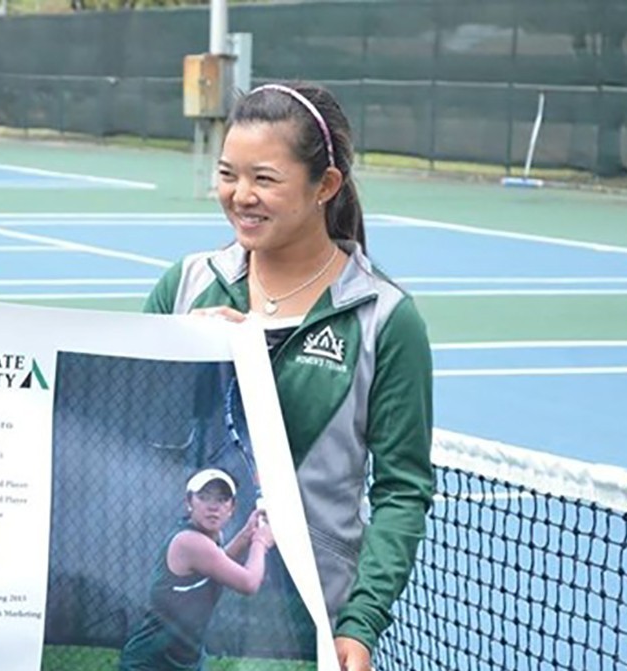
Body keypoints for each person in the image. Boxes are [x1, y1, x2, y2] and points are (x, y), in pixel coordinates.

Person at [143, 82, 434, 671]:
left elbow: (403, 490)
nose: (240, 196)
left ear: (325, 186)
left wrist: (362, 620)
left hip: (303, 627)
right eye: (228, 174)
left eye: (264, 179)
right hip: (178, 616)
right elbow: (133, 426)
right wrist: (188, 355)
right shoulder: (186, 287)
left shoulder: (386, 320)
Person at [119, 468, 275, 671]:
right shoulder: (189, 542)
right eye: (204, 497)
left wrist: (246, 535)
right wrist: (260, 541)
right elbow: (249, 583)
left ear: (232, 507)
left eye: (222, 499)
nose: (213, 506)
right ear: (189, 502)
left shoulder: (212, 538)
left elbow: (217, 565)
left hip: (185, 662)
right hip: (151, 664)